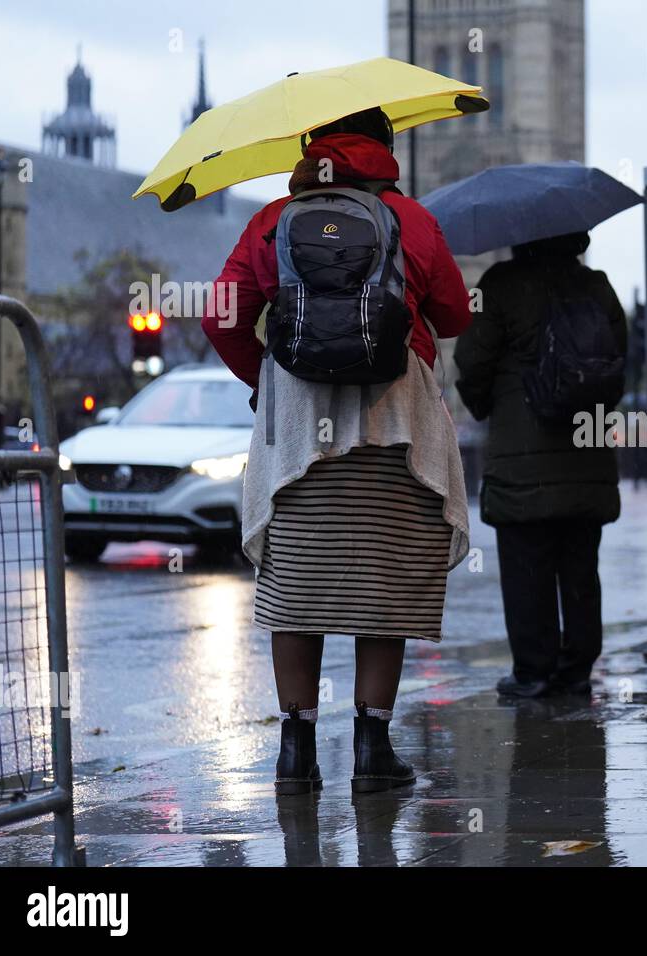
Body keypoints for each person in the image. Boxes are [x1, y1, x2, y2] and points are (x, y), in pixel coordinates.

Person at [202, 108, 472, 795]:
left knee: (296, 587)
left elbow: (221, 315)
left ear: (310, 146)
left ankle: (295, 754)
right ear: (384, 148)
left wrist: (267, 376)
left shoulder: (273, 219)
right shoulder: (412, 219)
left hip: (299, 430)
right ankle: (372, 750)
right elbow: (454, 316)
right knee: (385, 580)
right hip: (395, 422)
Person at [454, 232, 627, 698]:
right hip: (586, 453)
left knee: (527, 567)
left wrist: (491, 405)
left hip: (519, 457)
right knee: (580, 568)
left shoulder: (499, 284)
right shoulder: (598, 286)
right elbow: (621, 362)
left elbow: (471, 361)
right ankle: (577, 669)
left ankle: (533, 672)